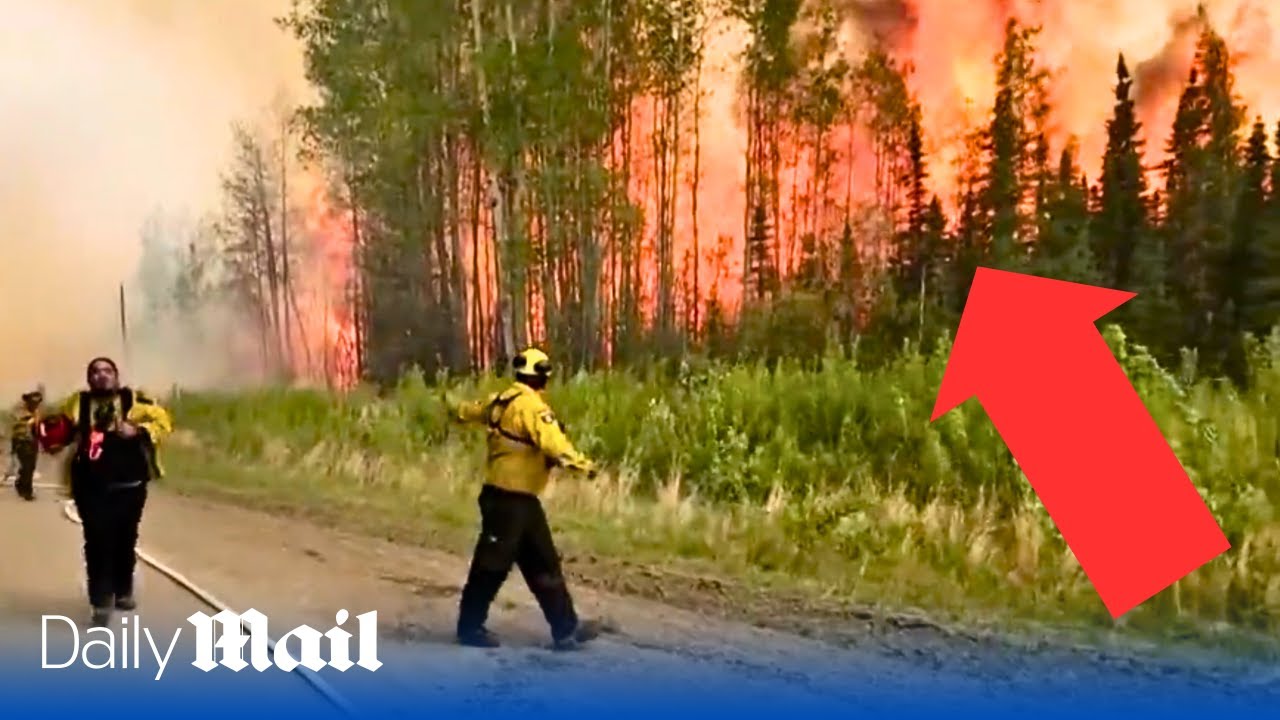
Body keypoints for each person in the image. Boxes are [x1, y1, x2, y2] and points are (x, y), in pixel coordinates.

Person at [444, 347, 604, 651]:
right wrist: (584, 466)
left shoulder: (500, 400)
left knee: (543, 561)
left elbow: (468, 410)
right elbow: (553, 443)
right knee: (491, 565)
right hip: (508, 500)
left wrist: (453, 408)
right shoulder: (532, 408)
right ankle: (469, 627)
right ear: (543, 377)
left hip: (519, 499)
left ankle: (565, 628)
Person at [37, 357, 173, 627]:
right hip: (91, 486)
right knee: (97, 541)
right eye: (95, 372)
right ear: (89, 379)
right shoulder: (78, 403)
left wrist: (138, 430)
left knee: (125, 539)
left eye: (107, 371)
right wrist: (47, 432)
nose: (101, 376)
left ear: (116, 376)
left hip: (130, 485)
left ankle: (123, 590)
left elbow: (163, 422)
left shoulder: (136, 400)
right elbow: (62, 431)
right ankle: (100, 600)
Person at [8, 386, 45, 501]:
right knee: (27, 467)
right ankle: (27, 491)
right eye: (33, 401)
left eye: (37, 402)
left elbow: (39, 429)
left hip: (33, 442)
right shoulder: (21, 413)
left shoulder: (36, 413)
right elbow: (17, 430)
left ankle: (21, 484)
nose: (36, 404)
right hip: (23, 443)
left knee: (30, 467)